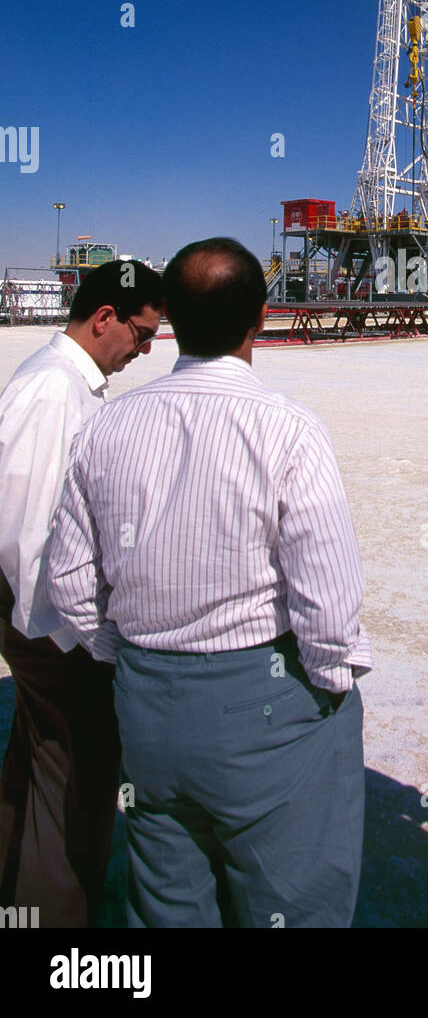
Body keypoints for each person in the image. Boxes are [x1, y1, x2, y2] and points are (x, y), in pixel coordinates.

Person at [46, 237, 371, 928]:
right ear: (260, 317)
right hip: (268, 702)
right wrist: (328, 682)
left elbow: (71, 583)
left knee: (166, 896)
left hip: (146, 705)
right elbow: (327, 601)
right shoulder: (288, 431)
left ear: (169, 324)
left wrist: (127, 656)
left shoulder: (104, 427)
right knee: (291, 894)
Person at [0, 259, 163, 926]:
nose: (146, 349)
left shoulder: (63, 382)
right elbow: (22, 528)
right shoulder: (52, 392)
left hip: (39, 622)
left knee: (37, 760)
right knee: (81, 779)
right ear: (104, 318)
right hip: (49, 625)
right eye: (143, 334)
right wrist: (72, 637)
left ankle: (16, 895)